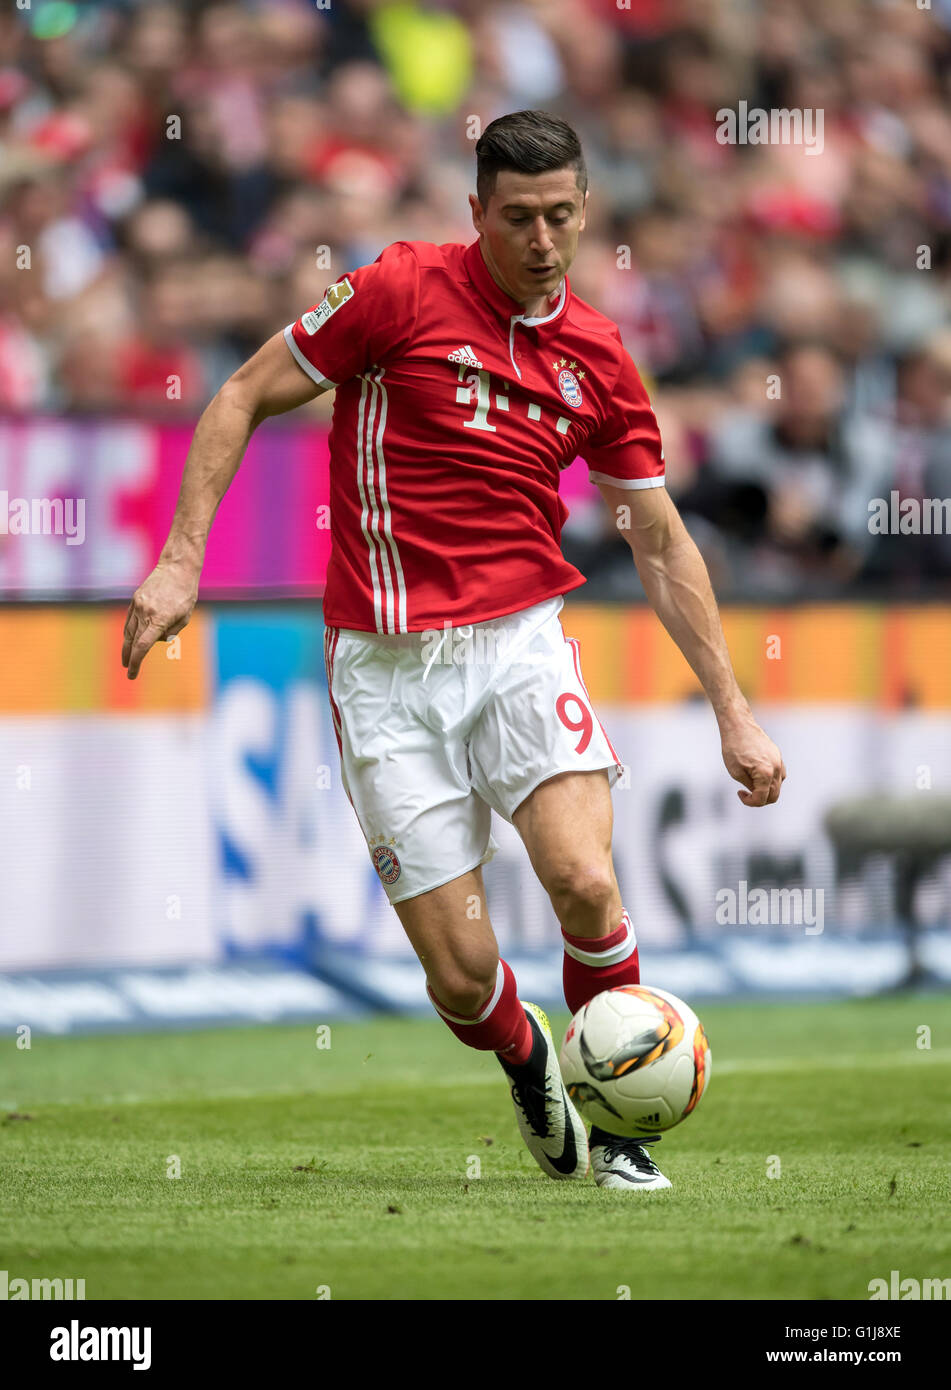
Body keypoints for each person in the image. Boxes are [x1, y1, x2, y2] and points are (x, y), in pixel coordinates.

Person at [122, 110, 785, 1192]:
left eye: (561, 217)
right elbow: (242, 393)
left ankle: (620, 1127)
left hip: (520, 645)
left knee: (584, 880)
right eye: (517, 217)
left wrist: (733, 707)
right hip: (383, 671)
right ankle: (528, 1061)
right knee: (467, 976)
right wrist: (180, 560)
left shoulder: (600, 360)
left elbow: (659, 540)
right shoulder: (395, 294)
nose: (541, 239)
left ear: (584, 213)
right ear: (476, 211)